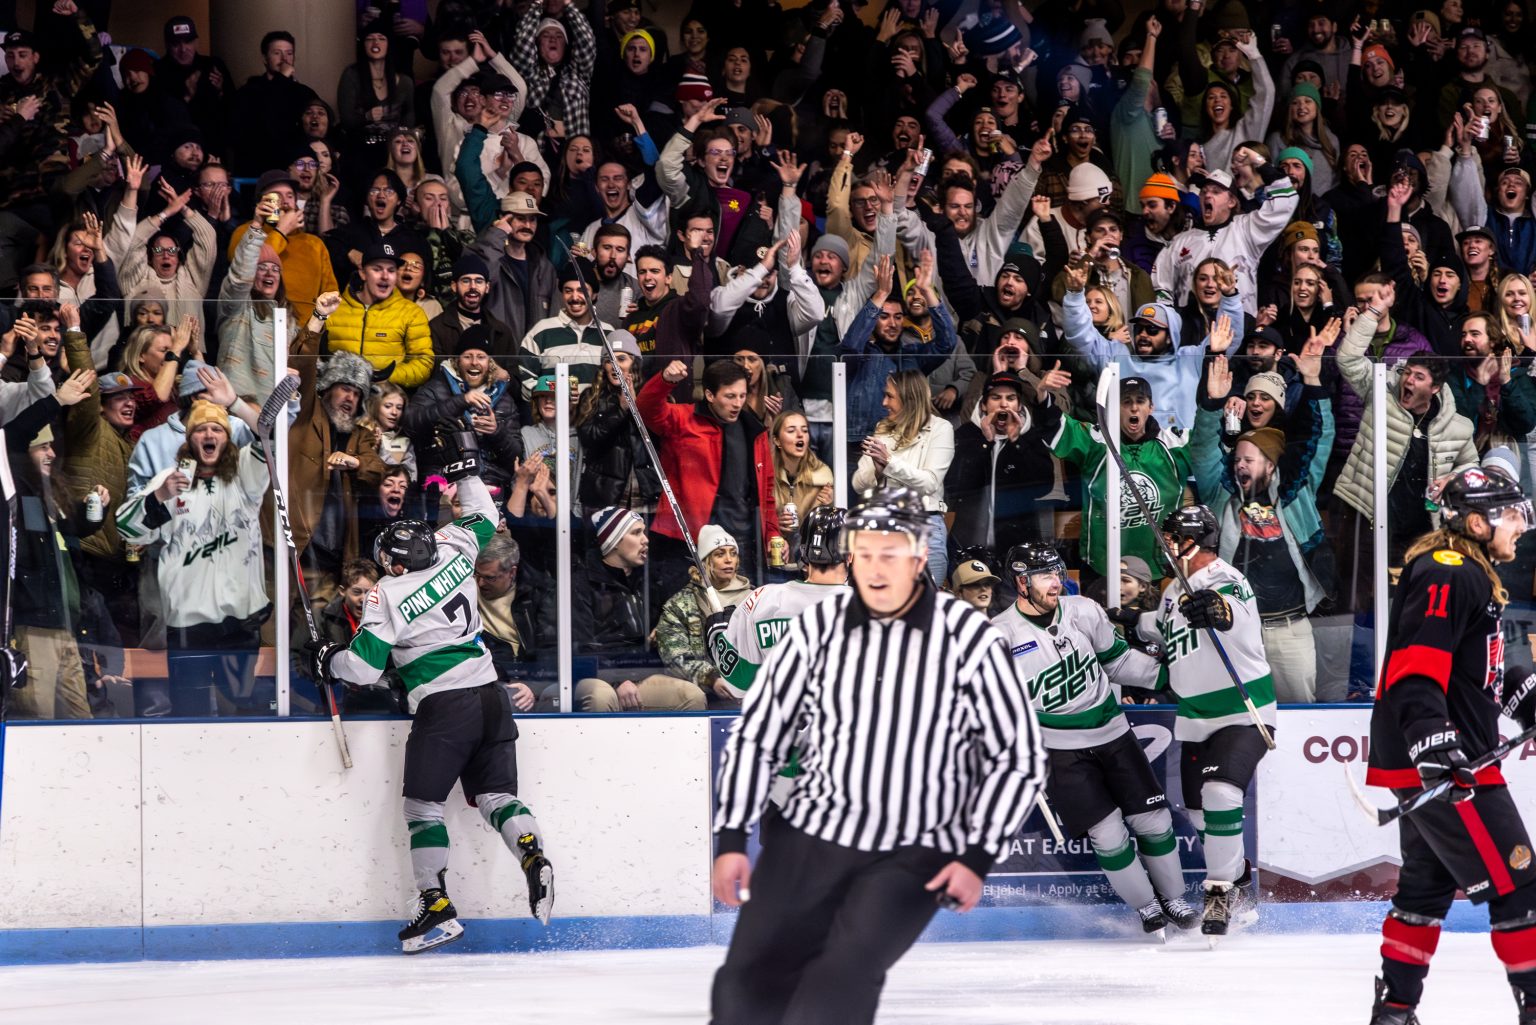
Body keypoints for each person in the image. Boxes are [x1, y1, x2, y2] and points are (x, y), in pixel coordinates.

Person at [710, 485, 1046, 1024]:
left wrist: (979, 852)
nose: (874, 567)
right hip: (812, 832)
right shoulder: (817, 629)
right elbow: (759, 735)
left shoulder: (967, 639)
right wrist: (730, 838)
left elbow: (1018, 756)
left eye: (888, 554)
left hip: (915, 846)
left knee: (838, 976)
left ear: (917, 556)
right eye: (863, 553)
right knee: (745, 983)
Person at [310, 468, 555, 951]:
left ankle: (436, 906)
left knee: (422, 808)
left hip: (444, 706)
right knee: (497, 799)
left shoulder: (389, 594)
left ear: (397, 567)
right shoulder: (457, 550)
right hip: (492, 696)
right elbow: (485, 512)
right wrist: (467, 474)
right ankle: (531, 852)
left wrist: (328, 659)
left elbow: (362, 667)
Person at [1363, 465, 1536, 1024]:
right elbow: (1416, 669)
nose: (1520, 525)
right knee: (1520, 886)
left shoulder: (1475, 574)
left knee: (1426, 887)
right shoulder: (1447, 569)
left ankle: (1393, 1011)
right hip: (1449, 765)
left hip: (1442, 760)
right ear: (1477, 521)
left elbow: (1480, 674)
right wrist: (1434, 749)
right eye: (1509, 513)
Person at [991, 542, 1197, 935]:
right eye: (1046, 576)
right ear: (1021, 582)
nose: (1058, 583)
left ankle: (1175, 899)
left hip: (1115, 735)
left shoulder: (1083, 610)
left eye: (1059, 573)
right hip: (1060, 752)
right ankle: (1147, 905)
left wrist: (1172, 675)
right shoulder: (999, 636)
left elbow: (1117, 661)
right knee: (1108, 835)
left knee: (1153, 821)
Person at [1134, 505, 1276, 939]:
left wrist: (1216, 610)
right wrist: (1127, 622)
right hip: (1194, 719)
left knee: (1219, 793)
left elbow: (1237, 615)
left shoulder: (1225, 581)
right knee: (1199, 814)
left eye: (1173, 537)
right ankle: (1238, 881)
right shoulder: (1174, 590)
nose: (1167, 545)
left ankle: (1218, 892)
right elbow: (1158, 629)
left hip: (1242, 712)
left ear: (1195, 540)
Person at [655, 525, 754, 708]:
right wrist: (711, 678)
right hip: (708, 696)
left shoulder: (757, 599)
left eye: (733, 553)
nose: (728, 560)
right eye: (719, 554)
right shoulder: (680, 605)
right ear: (705, 562)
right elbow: (675, 658)